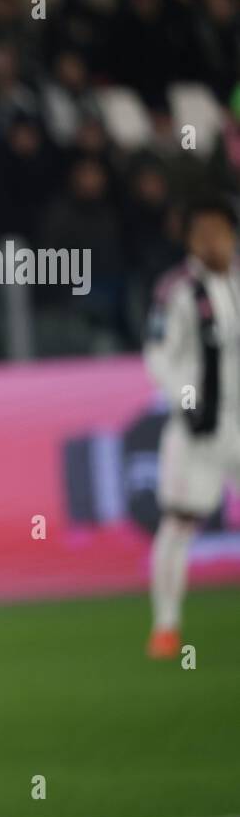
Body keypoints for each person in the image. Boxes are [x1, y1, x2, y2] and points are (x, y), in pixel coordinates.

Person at [143, 194, 240, 659]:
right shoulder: (176, 289)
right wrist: (188, 402)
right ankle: (166, 626)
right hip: (200, 427)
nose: (212, 239)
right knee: (181, 521)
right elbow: (159, 353)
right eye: (202, 231)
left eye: (220, 229)